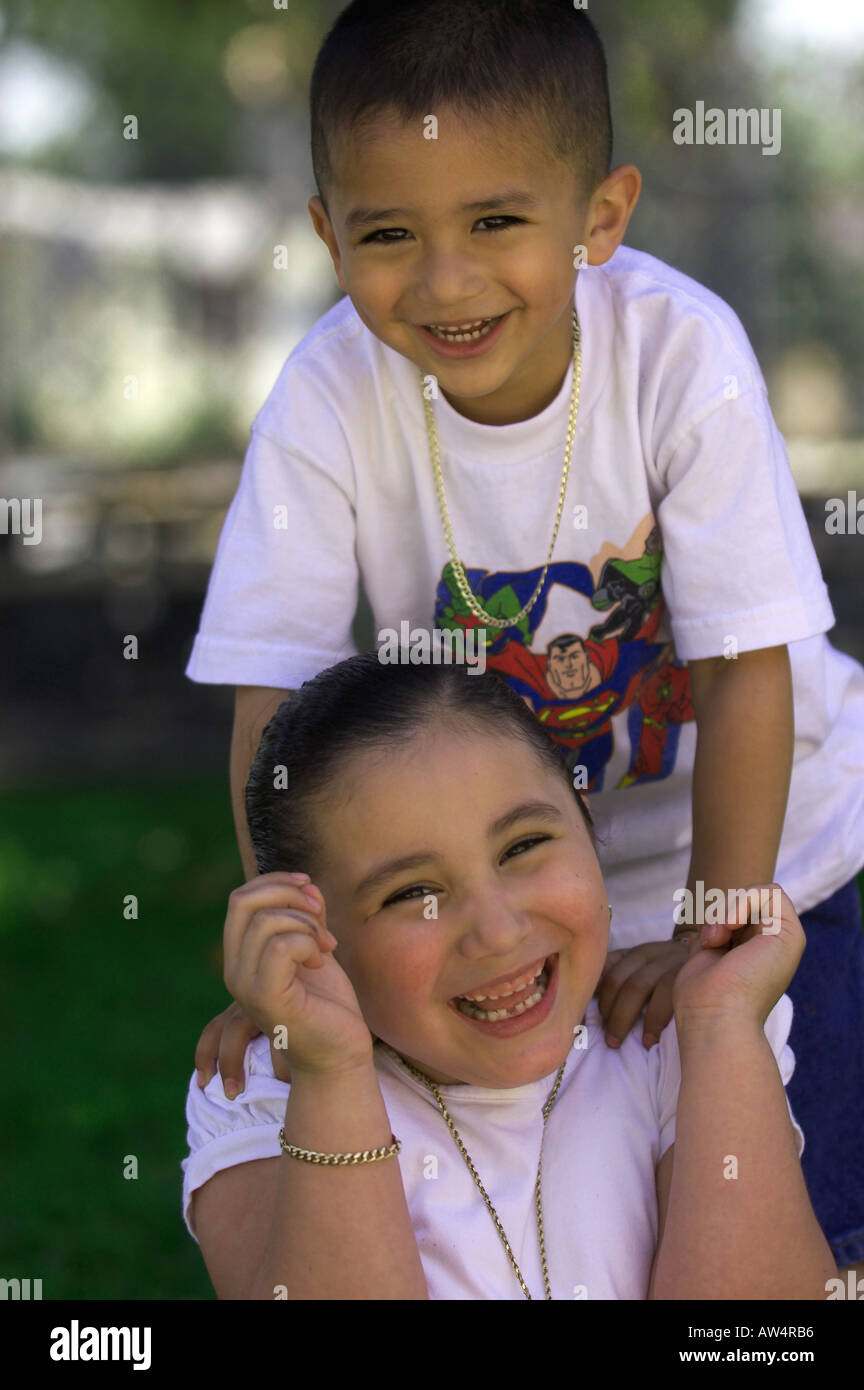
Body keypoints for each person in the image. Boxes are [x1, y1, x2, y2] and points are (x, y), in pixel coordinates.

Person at [186, 0, 864, 1269]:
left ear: (600, 216)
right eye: (390, 234)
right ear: (329, 237)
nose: (445, 281)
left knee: (802, 1218)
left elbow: (745, 668)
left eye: (496, 220)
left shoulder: (679, 352)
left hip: (779, 852)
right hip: (516, 893)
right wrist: (288, 955)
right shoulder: (327, 397)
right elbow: (268, 706)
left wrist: (717, 917)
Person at [181, 654, 834, 1300]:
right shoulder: (267, 1090)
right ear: (313, 934)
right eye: (412, 893)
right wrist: (334, 1078)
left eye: (523, 847)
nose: (498, 931)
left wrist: (721, 1030)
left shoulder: (680, 1036)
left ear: (585, 818)